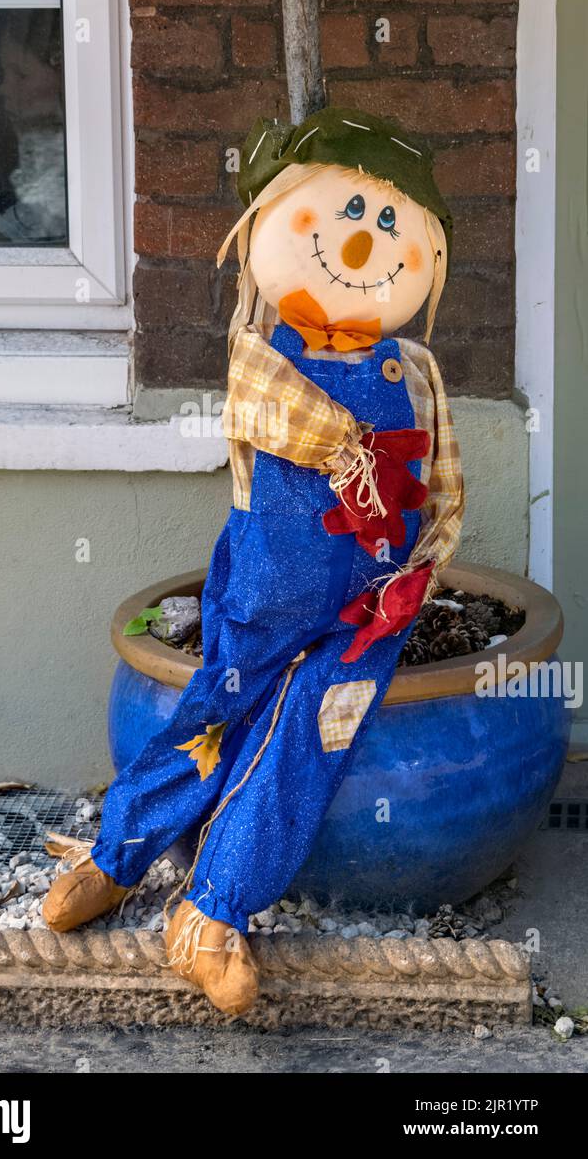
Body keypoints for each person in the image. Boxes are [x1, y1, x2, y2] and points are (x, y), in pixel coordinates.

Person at [43, 106, 465, 1018]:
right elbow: (306, 431)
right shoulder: (264, 363)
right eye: (339, 216)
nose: (363, 247)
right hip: (268, 590)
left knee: (313, 732)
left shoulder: (414, 371)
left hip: (376, 600)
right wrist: (362, 453)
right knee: (215, 708)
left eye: (391, 225)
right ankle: (119, 854)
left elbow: (435, 481)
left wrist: (422, 564)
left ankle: (210, 911)